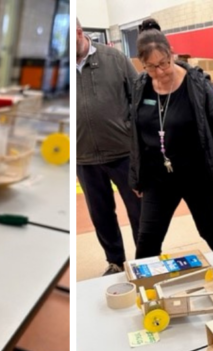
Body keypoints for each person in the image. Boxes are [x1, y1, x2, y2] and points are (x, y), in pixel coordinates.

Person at [129, 19, 213, 265]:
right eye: (151, 67)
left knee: (210, 232)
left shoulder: (196, 84)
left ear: (171, 54)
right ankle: (142, 286)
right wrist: (136, 176)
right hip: (157, 178)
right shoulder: (141, 86)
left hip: (196, 177)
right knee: (147, 240)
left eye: (164, 63)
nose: (160, 72)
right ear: (142, 64)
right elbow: (136, 136)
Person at [76, 18, 143, 276]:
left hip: (124, 153)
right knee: (101, 215)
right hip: (84, 157)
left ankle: (145, 259)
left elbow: (140, 99)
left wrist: (135, 136)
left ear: (79, 32)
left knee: (139, 211)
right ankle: (115, 261)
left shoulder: (115, 59)